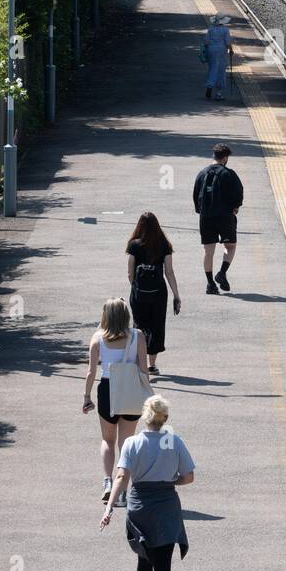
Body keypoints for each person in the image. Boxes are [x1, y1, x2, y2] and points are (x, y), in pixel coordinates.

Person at [99, 395, 195, 571]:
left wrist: (109, 508)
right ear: (165, 419)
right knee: (163, 567)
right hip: (166, 506)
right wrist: (170, 481)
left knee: (144, 555)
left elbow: (121, 478)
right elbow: (188, 477)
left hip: (140, 505)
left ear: (144, 416)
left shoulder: (132, 443)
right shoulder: (174, 442)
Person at [83, 298, 148, 508]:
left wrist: (87, 397)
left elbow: (91, 372)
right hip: (130, 390)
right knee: (126, 444)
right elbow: (144, 369)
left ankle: (108, 481)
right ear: (126, 315)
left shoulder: (97, 338)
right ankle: (122, 492)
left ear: (106, 316)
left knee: (107, 440)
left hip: (107, 390)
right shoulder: (137, 336)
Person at [127, 212, 181, 374]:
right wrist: (176, 295)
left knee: (140, 326)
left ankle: (139, 362)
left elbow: (130, 273)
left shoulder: (134, 245)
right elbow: (169, 272)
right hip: (158, 293)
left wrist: (136, 287)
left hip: (138, 293)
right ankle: (151, 365)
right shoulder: (164, 244)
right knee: (157, 326)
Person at [193, 143, 244, 295]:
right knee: (230, 246)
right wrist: (236, 207)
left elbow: (196, 194)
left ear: (214, 155)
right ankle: (222, 272)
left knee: (208, 251)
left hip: (206, 217)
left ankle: (210, 284)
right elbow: (238, 193)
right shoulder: (229, 174)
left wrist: (200, 211)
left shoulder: (202, 173)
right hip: (225, 217)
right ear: (226, 157)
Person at [203, 13, 232, 101]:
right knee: (221, 71)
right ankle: (218, 93)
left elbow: (206, 41)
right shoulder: (225, 30)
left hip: (211, 50)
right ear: (223, 21)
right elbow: (227, 43)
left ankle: (209, 85)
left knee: (212, 68)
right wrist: (231, 50)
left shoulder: (211, 29)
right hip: (221, 51)